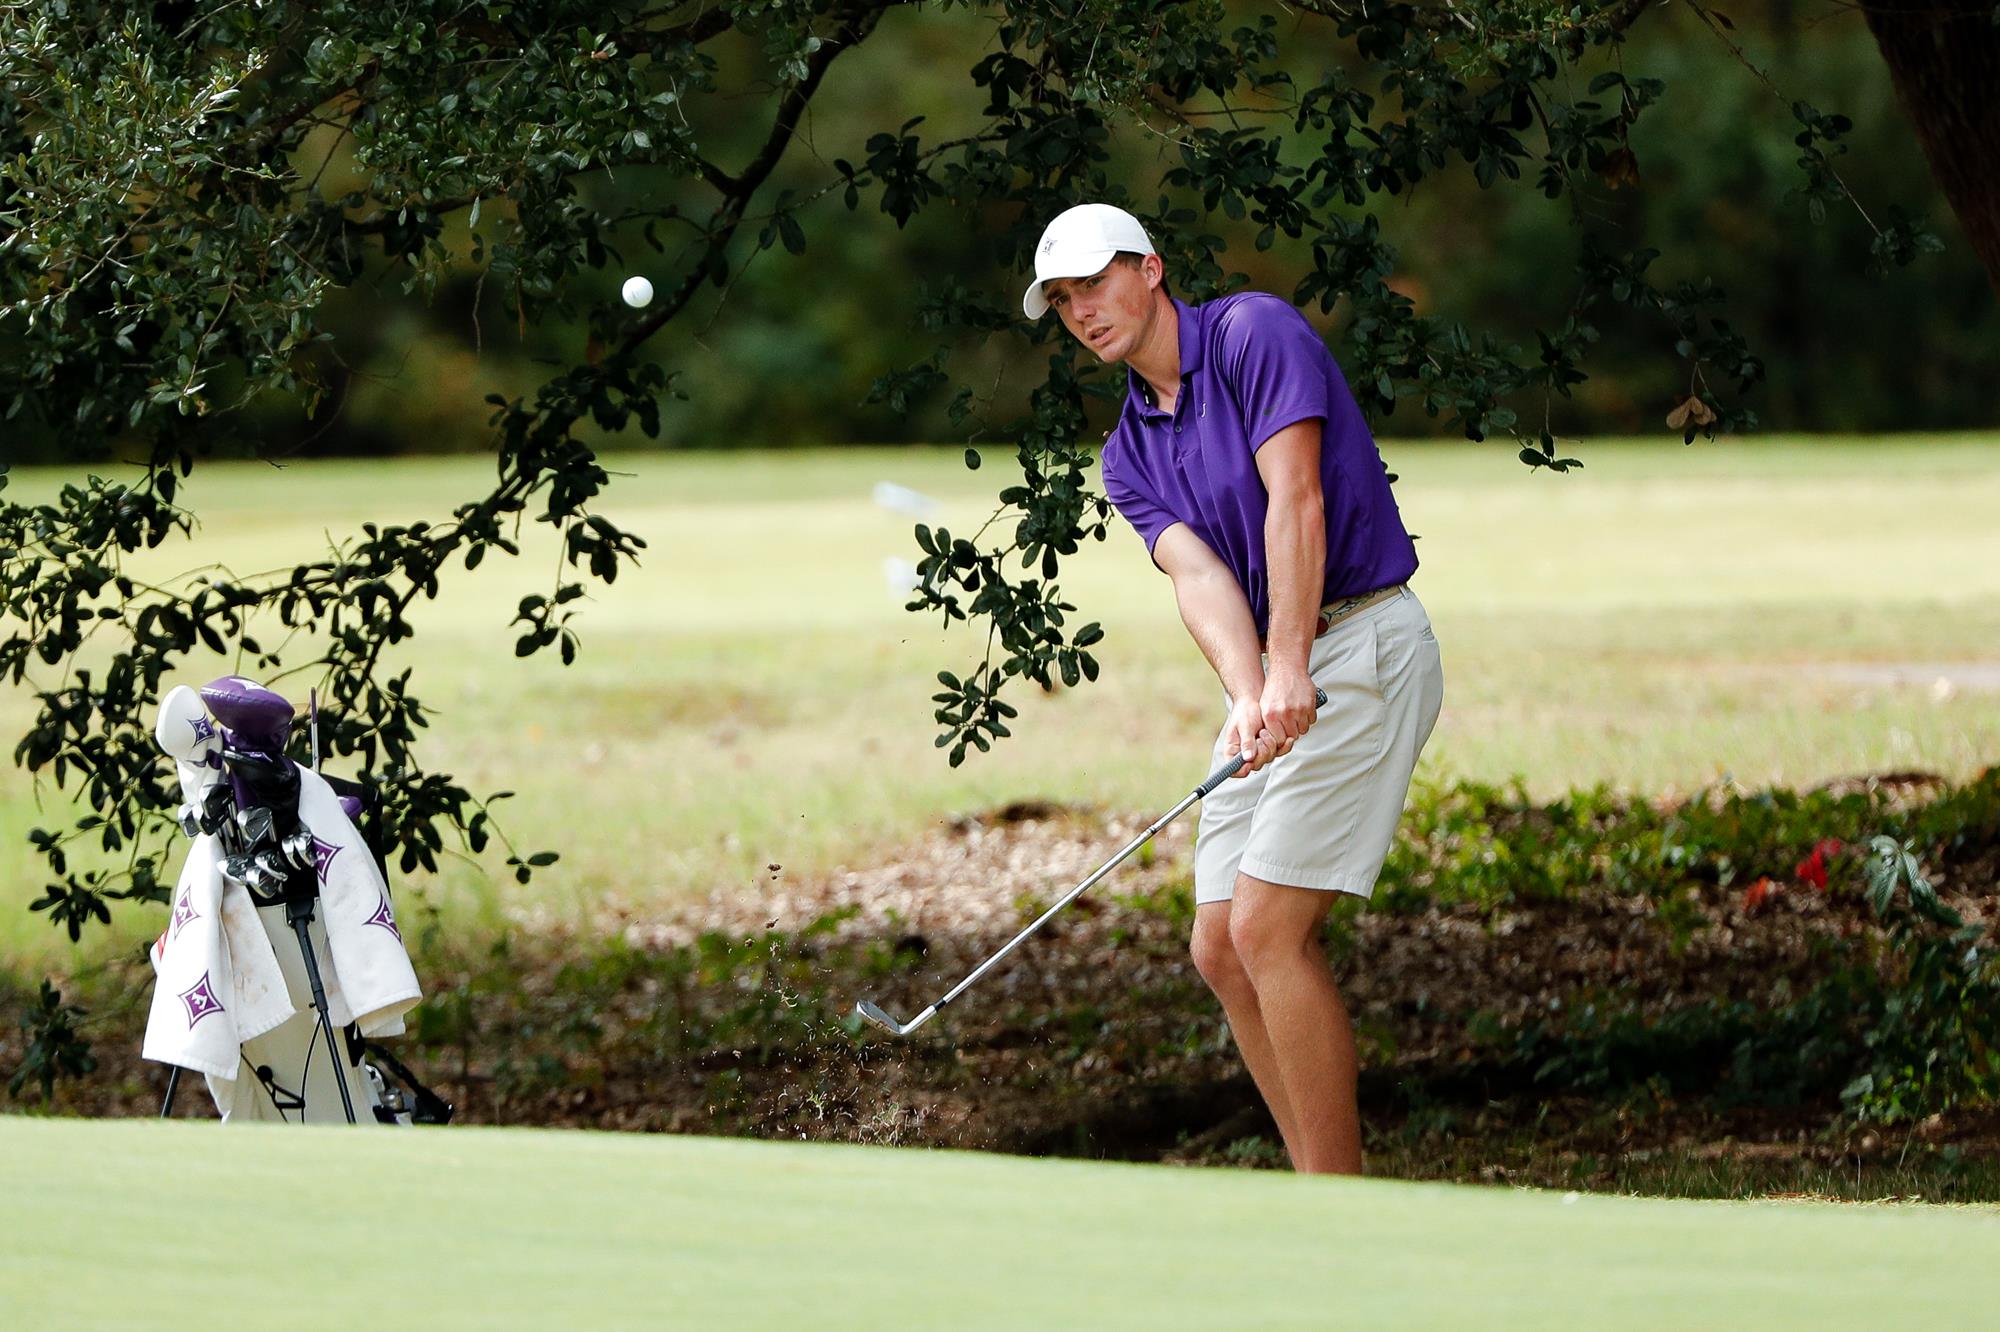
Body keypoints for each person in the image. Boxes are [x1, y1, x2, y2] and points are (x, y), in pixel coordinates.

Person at [1023, 203, 1445, 1175]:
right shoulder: (1126, 451)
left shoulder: (1252, 333)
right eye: (1061, 300)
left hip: (1359, 641)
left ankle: (1336, 1204)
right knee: (1216, 947)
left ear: (1151, 268)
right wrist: (1251, 688)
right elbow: (1199, 579)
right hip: (1276, 667)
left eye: (1094, 283)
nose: (1082, 311)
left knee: (1264, 928)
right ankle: (1309, 1183)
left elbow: (1295, 499)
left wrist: (1290, 665)